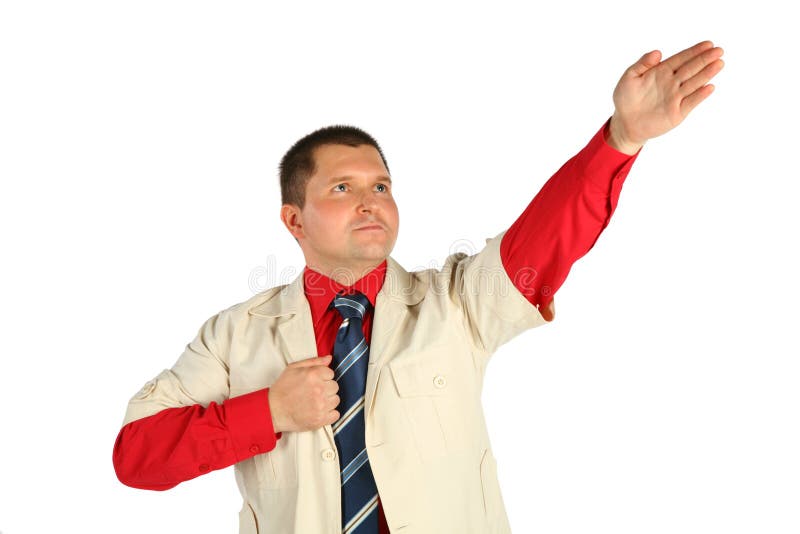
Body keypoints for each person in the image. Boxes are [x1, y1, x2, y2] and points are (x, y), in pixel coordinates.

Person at [113, 40, 724, 533]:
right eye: (342, 189)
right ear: (294, 220)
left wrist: (620, 138)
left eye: (380, 186)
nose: (370, 202)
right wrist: (266, 411)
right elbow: (136, 454)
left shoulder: (455, 304)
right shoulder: (233, 336)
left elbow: (539, 243)